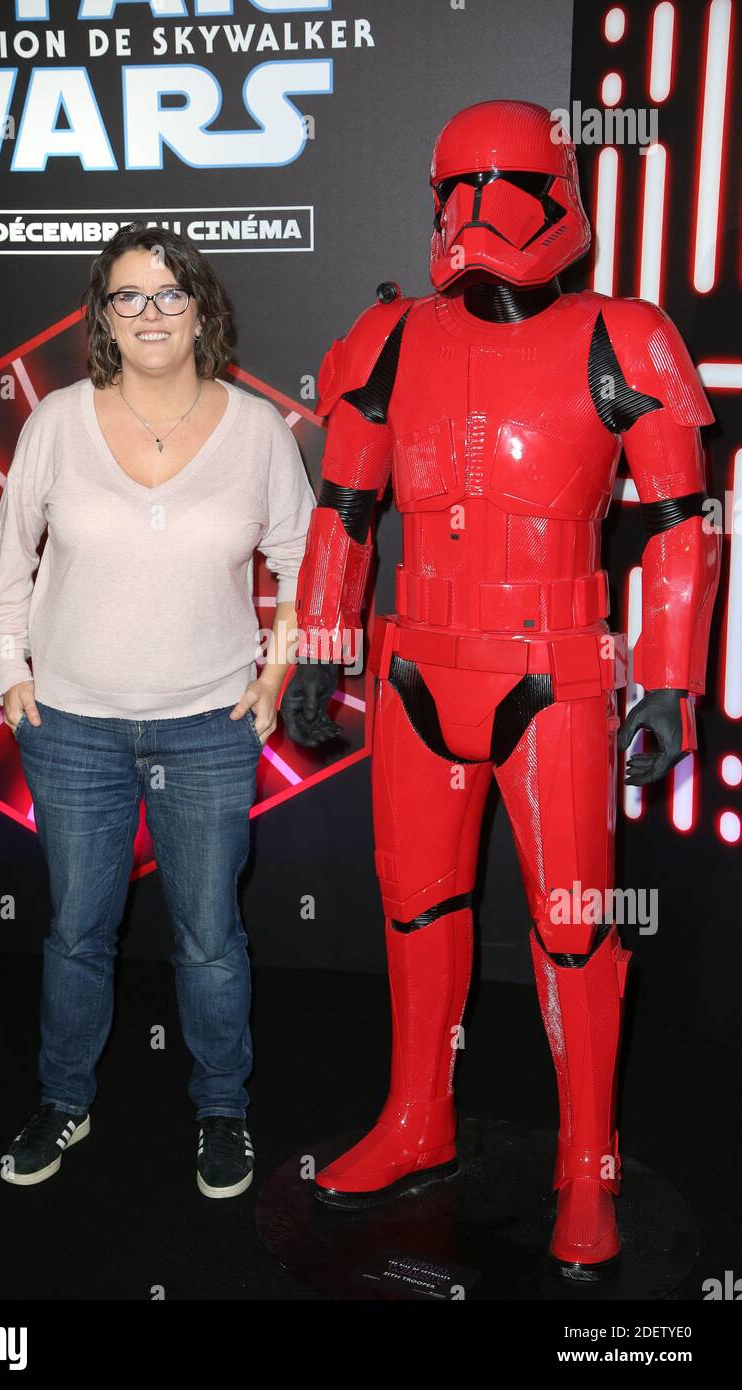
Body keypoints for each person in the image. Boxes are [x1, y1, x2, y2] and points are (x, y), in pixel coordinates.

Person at [282, 100, 720, 1279]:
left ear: (555, 191)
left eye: (500, 186)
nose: (474, 216)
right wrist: (320, 646)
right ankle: (416, 1117)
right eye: (454, 190)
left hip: (555, 674)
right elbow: (344, 510)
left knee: (574, 933)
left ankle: (587, 1169)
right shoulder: (386, 339)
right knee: (415, 907)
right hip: (416, 666)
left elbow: (680, 527)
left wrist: (669, 684)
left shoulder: (621, 336)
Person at [0, 223, 315, 1198]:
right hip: (71, 727)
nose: (151, 312)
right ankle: (63, 1098)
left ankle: (220, 1108)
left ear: (202, 309)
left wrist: (272, 681)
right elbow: (8, 566)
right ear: (103, 317)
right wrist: (10, 671)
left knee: (208, 933)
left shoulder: (255, 431)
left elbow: (301, 569)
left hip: (209, 724)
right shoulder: (55, 422)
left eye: (170, 294)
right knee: (77, 927)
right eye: (129, 296)